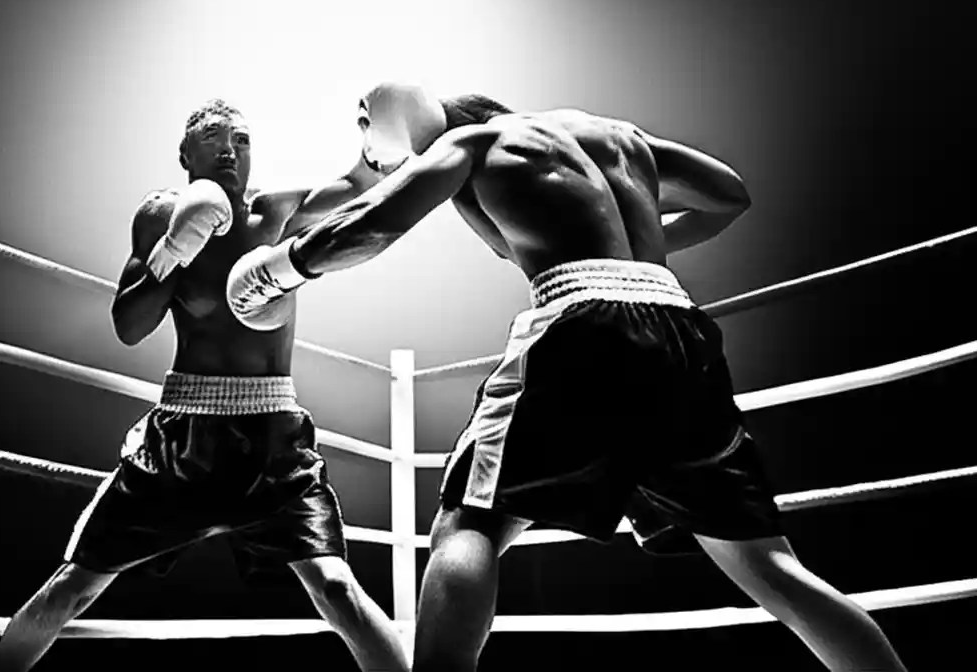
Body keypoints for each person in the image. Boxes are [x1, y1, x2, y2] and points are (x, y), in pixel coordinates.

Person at [226, 83, 909, 672]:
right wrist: (639, 251)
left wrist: (275, 270)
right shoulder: (616, 138)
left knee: (471, 523)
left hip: (581, 318)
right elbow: (729, 195)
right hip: (679, 325)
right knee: (770, 566)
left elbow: (373, 225)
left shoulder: (472, 147)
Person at [0, 98, 409, 671]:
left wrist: (379, 136)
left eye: (242, 140)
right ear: (186, 155)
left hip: (272, 436)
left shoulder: (277, 213)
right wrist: (172, 253)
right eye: (214, 140)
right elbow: (129, 327)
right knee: (75, 589)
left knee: (336, 591)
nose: (230, 151)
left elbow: (362, 186)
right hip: (183, 436)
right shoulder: (161, 215)